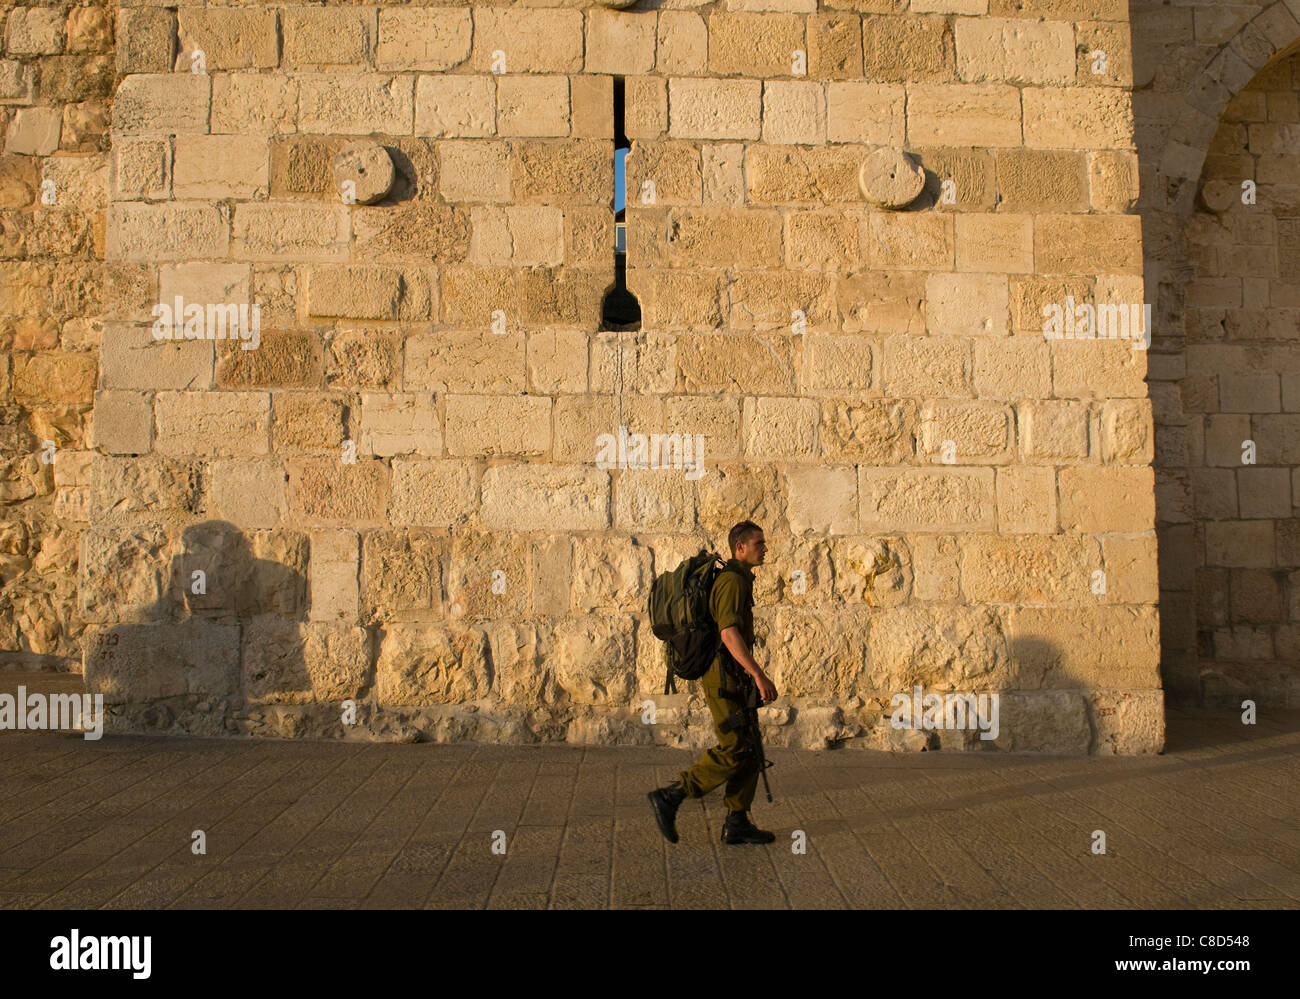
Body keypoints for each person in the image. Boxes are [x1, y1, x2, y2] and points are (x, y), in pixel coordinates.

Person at [648, 521, 778, 846]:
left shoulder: (739, 579)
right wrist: (759, 674)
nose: (765, 548)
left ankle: (737, 821)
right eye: (759, 543)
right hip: (724, 676)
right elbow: (728, 634)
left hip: (734, 675)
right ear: (740, 548)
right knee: (735, 745)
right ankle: (672, 795)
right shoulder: (732, 581)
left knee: (749, 745)